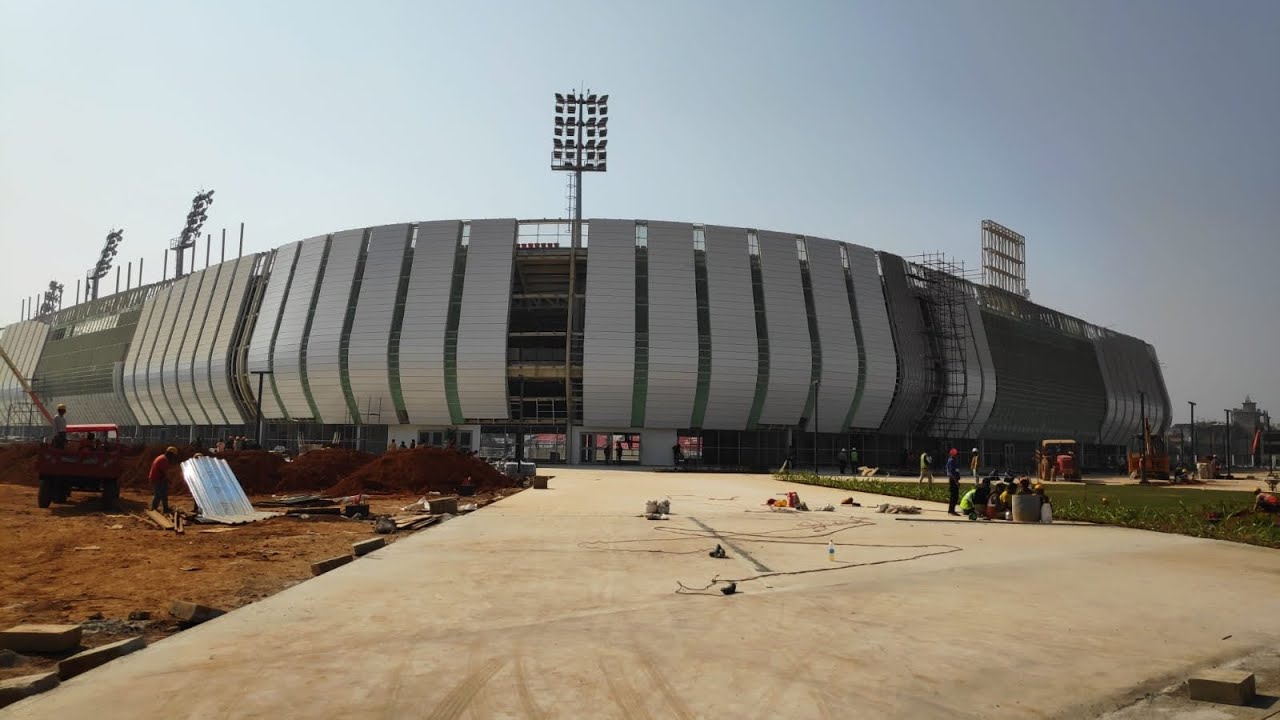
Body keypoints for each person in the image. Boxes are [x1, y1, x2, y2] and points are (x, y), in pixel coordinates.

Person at [149, 446, 177, 514]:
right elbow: (165, 472)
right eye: (173, 456)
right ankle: (160, 509)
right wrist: (170, 481)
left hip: (157, 478)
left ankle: (156, 508)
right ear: (170, 454)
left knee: (159, 494)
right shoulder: (163, 460)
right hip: (157, 479)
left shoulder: (162, 457)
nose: (173, 458)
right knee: (161, 495)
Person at [945, 448, 961, 515]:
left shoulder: (954, 460)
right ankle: (951, 510)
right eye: (955, 454)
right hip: (953, 480)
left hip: (955, 480)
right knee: (954, 496)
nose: (957, 455)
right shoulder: (951, 461)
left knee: (955, 496)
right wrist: (956, 481)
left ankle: (951, 510)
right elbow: (951, 473)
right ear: (952, 454)